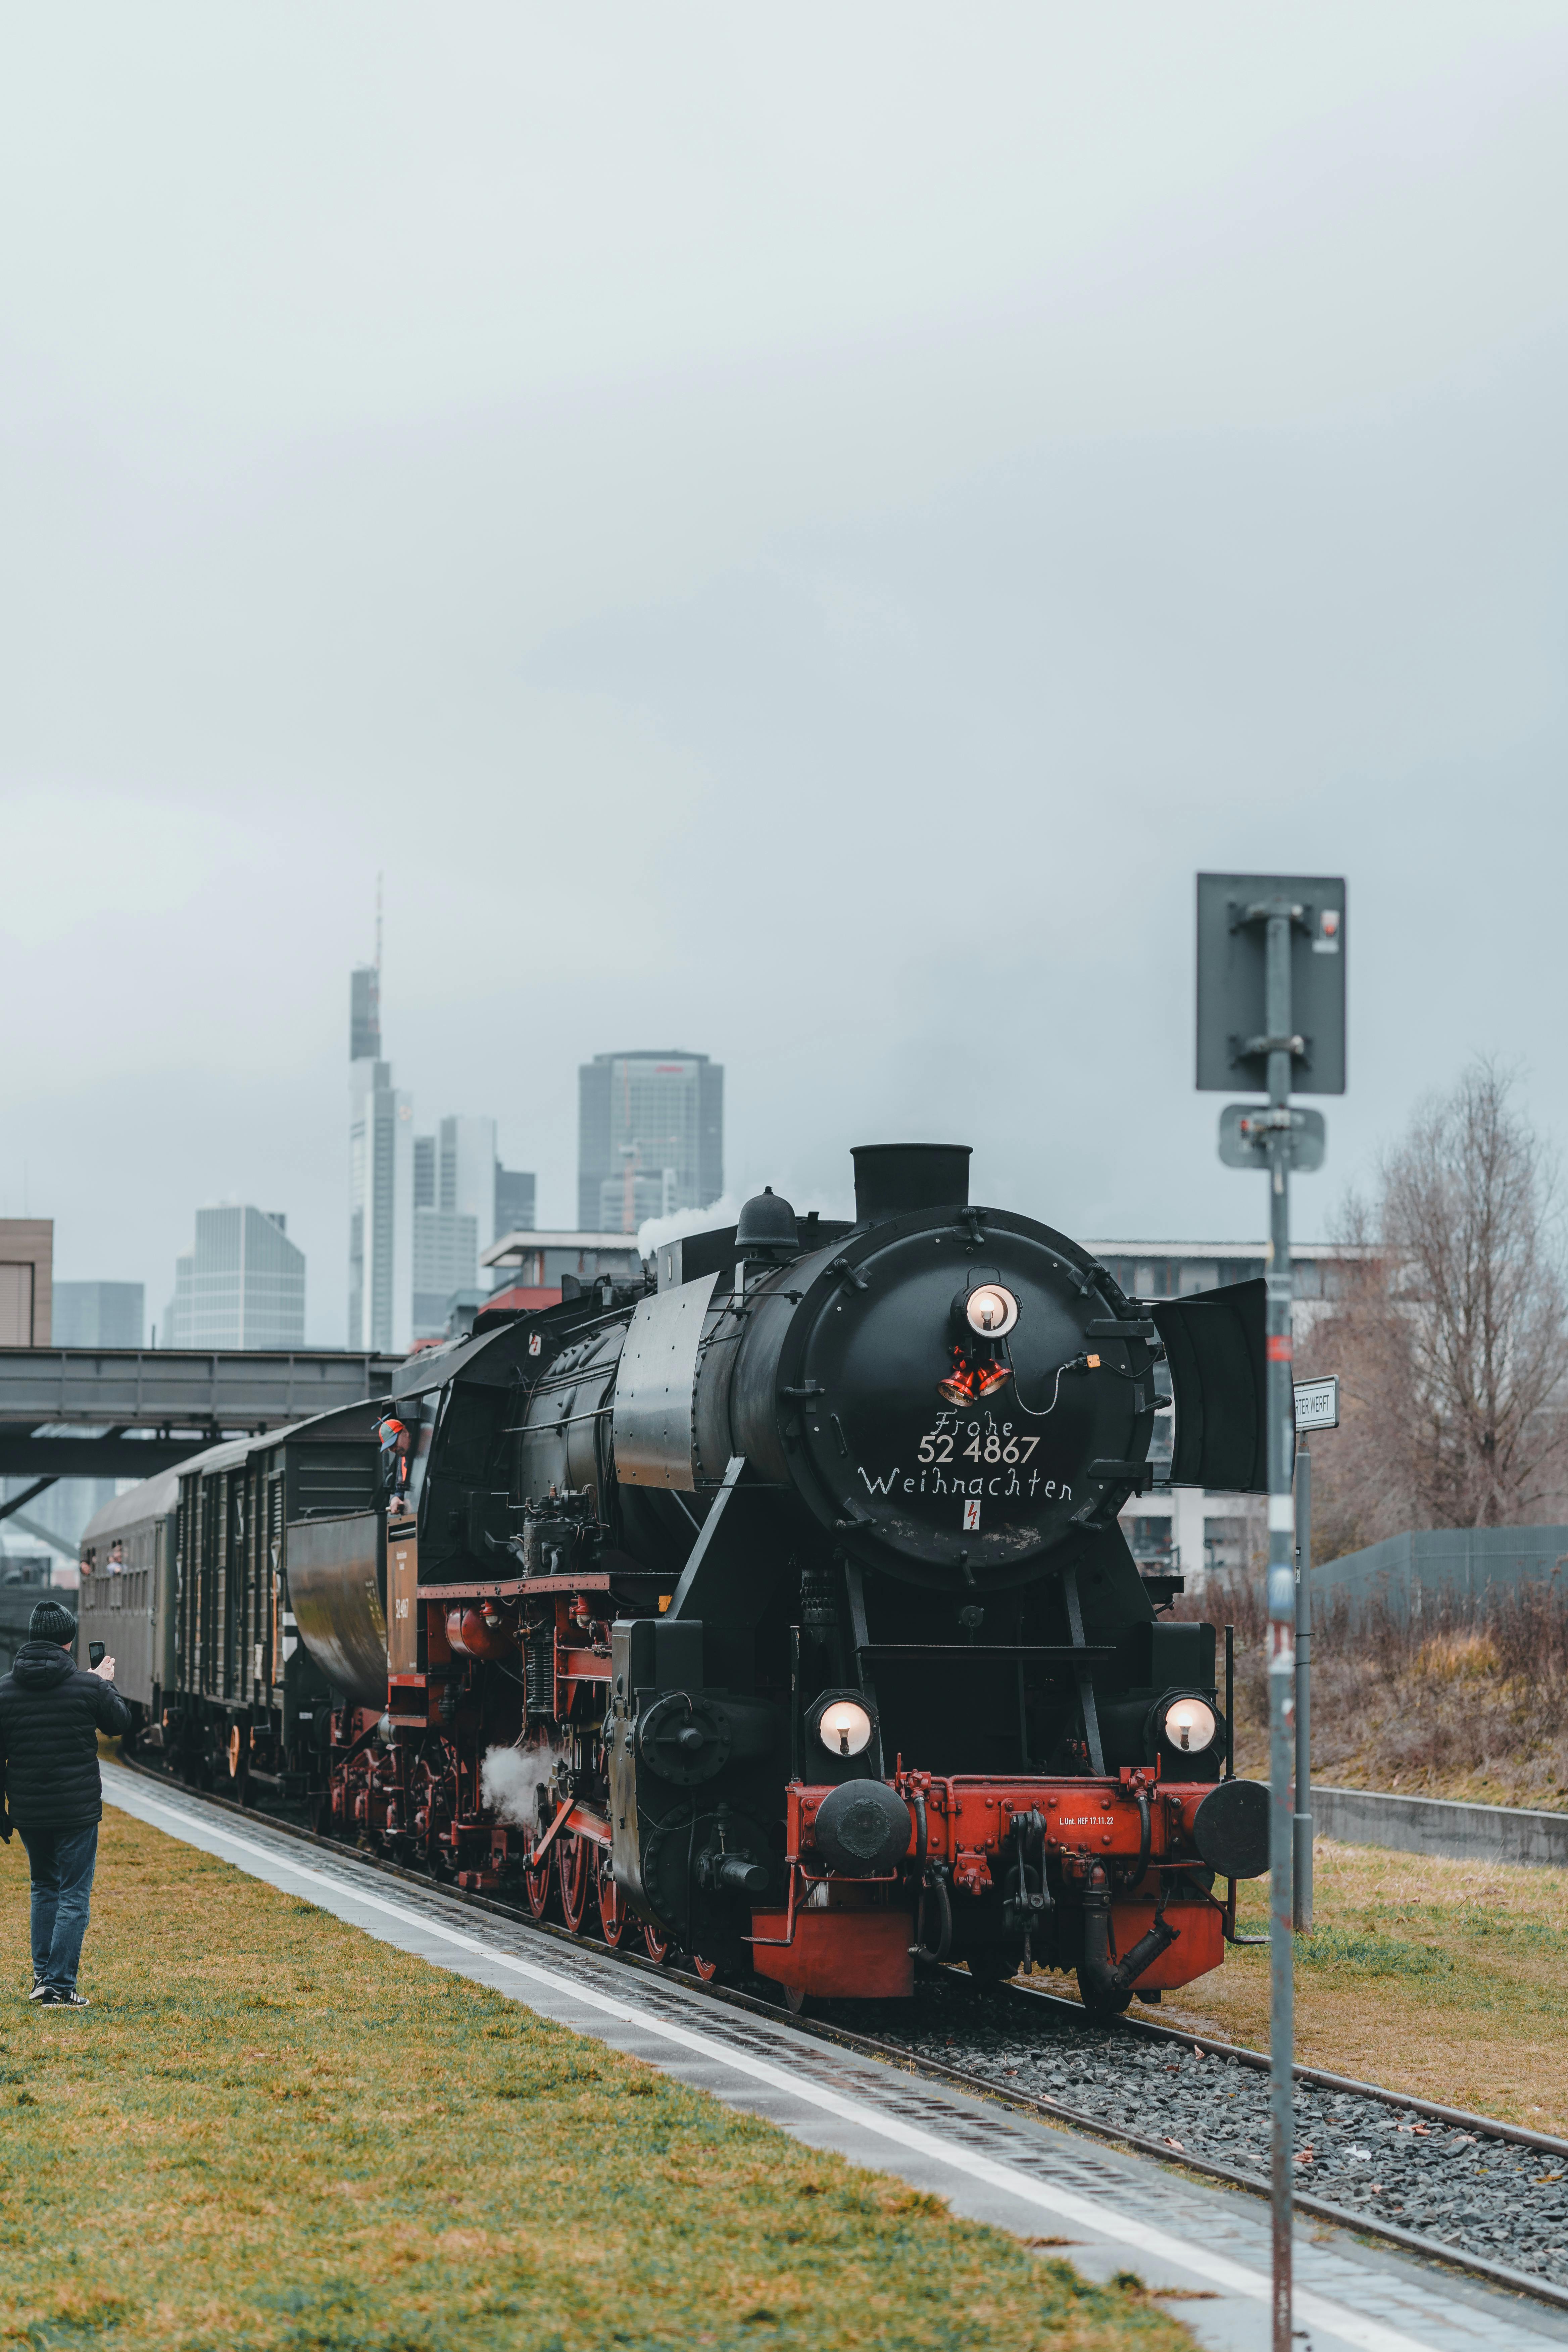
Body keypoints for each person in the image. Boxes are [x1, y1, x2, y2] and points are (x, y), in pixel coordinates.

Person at [0, 1598, 130, 2007]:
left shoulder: (4, 1690)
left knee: (44, 1886)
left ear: (32, 1638)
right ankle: (59, 1986)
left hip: (28, 1810)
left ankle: (43, 1977)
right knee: (74, 1894)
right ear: (69, 1641)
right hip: (77, 1812)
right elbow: (119, 1724)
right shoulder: (88, 1686)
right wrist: (104, 1682)